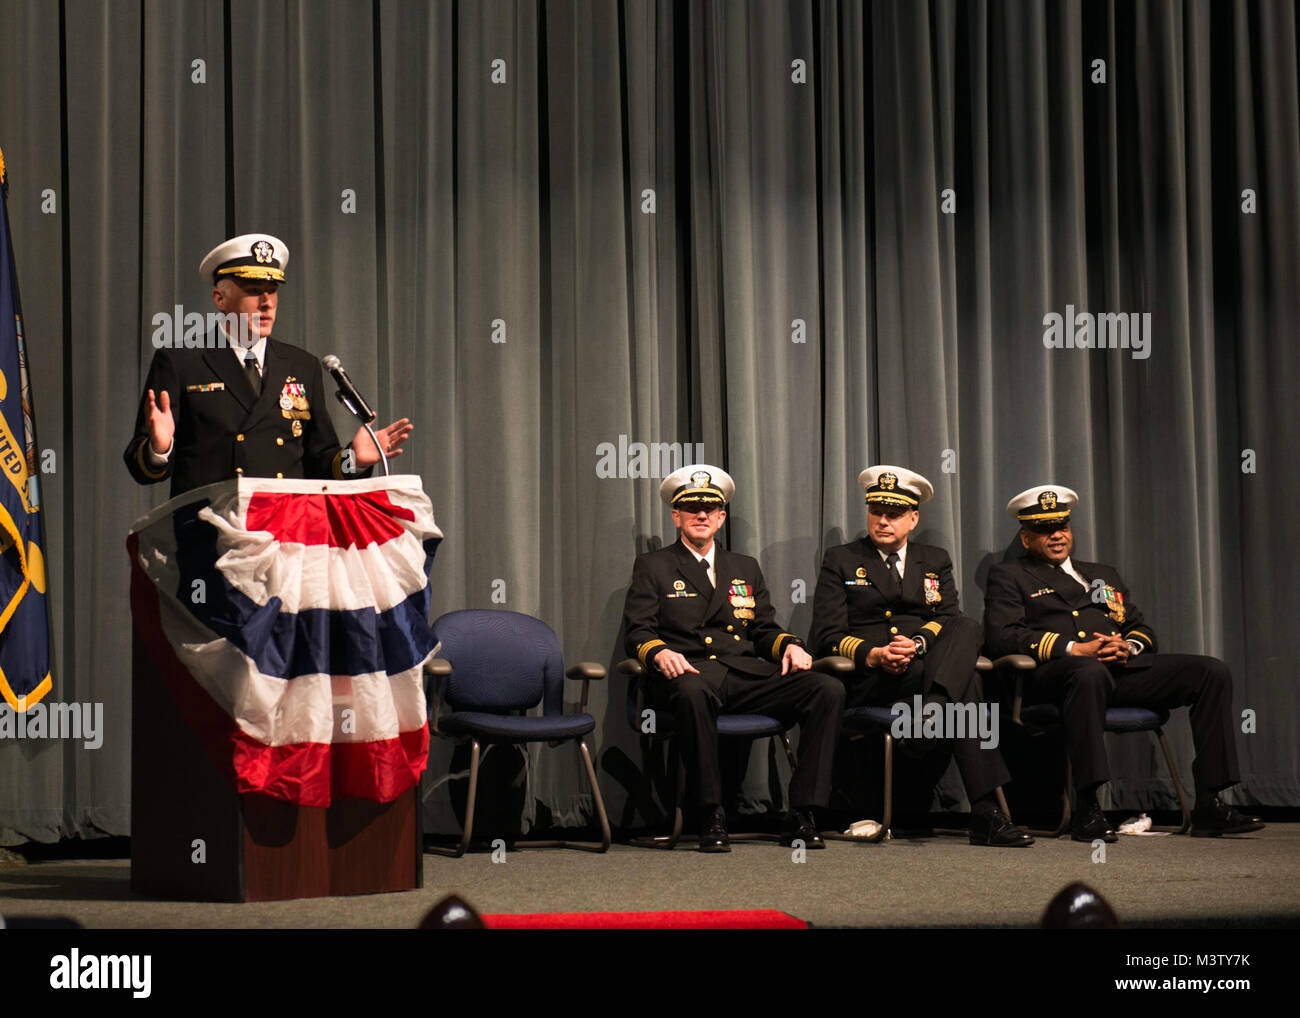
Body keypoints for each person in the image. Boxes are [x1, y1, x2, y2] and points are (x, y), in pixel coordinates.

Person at [983, 485, 1264, 840]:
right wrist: (1074, 649)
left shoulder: (1102, 574)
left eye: (1063, 526)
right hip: (1058, 678)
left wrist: (1127, 647)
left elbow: (1140, 627)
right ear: (1026, 539)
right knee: (1088, 672)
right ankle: (1088, 806)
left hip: (1116, 671)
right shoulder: (1010, 575)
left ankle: (1210, 801)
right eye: (1044, 529)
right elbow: (1003, 636)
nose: (1057, 535)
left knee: (1210, 671)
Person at [622, 464, 845, 852]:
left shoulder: (744, 567)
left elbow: (762, 629)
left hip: (744, 675)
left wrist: (790, 644)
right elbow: (638, 632)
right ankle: (710, 812)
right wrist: (658, 652)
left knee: (826, 688)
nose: (701, 515)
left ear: (722, 517)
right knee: (693, 691)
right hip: (688, 673)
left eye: (710, 509)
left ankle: (803, 811)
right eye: (691, 508)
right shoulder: (654, 566)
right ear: (676, 515)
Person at [809, 465, 1031, 847]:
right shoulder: (842, 559)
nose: (883, 521)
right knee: (971, 681)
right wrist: (874, 654)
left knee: (967, 627)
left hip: (925, 668)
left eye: (893, 515)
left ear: (913, 518)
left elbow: (947, 618)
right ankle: (985, 812)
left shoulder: (935, 559)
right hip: (873, 678)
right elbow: (825, 636)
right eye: (876, 512)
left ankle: (933, 710)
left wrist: (917, 645)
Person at [124, 233, 412, 496]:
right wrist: (158, 449)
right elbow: (142, 469)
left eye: (272, 290)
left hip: (287, 534)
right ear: (220, 298)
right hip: (211, 537)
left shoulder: (301, 366)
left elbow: (320, 464)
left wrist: (354, 459)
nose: (266, 303)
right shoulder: (182, 361)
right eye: (253, 290)